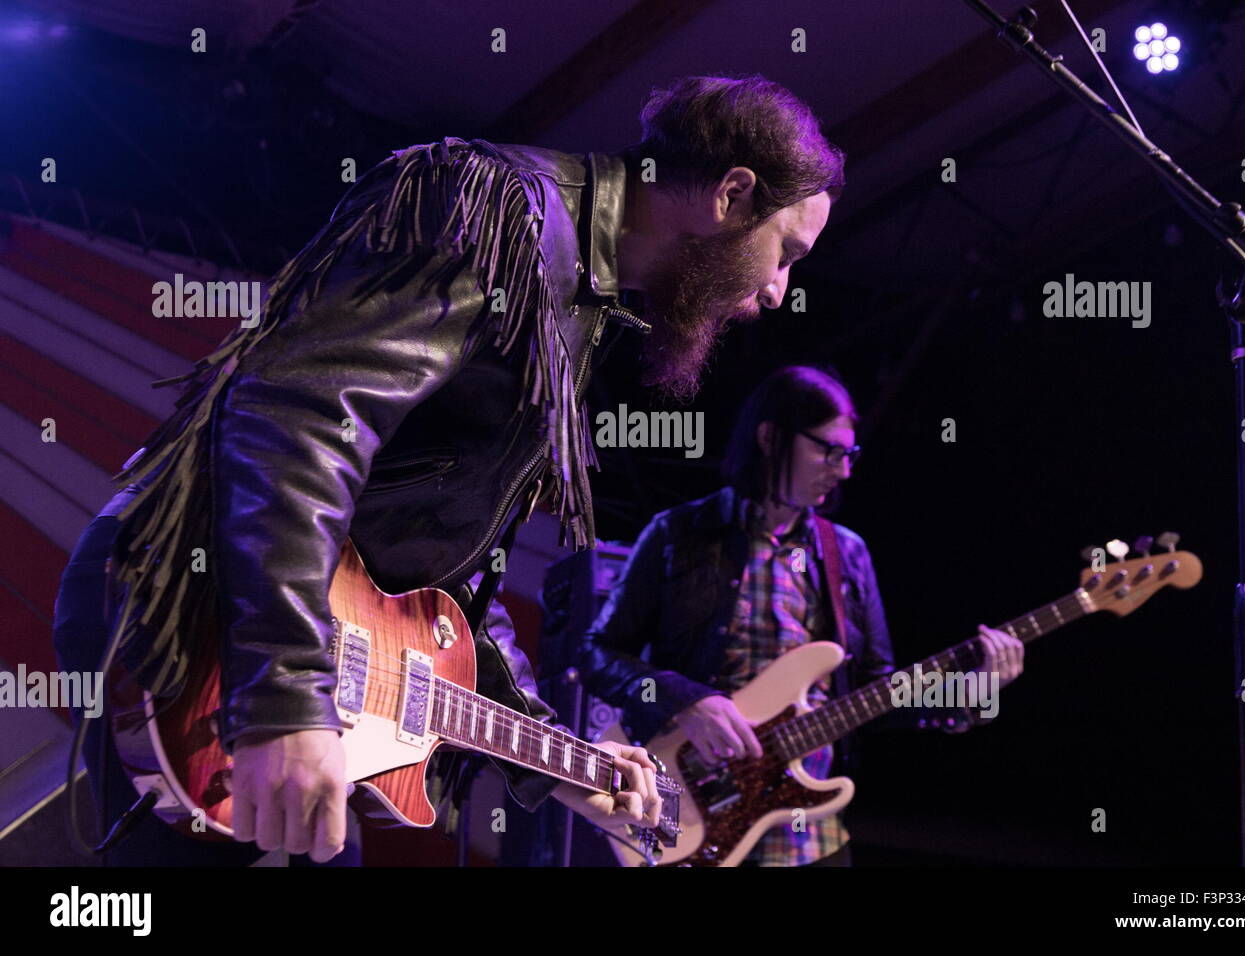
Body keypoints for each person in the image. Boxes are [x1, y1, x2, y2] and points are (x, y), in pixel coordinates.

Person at [52, 76, 845, 865]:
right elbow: (298, 419)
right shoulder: (497, 208)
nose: (778, 292)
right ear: (731, 195)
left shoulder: (578, 302)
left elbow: (443, 582)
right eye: (787, 254)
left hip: (293, 638)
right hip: (204, 614)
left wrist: (557, 759)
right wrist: (284, 700)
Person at [578, 366, 1025, 866]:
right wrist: (686, 701)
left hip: (806, 832)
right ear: (771, 437)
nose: (843, 469)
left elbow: (878, 690)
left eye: (849, 454)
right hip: (692, 808)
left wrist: (970, 695)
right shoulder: (678, 535)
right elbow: (596, 654)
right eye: (829, 450)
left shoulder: (847, 554)